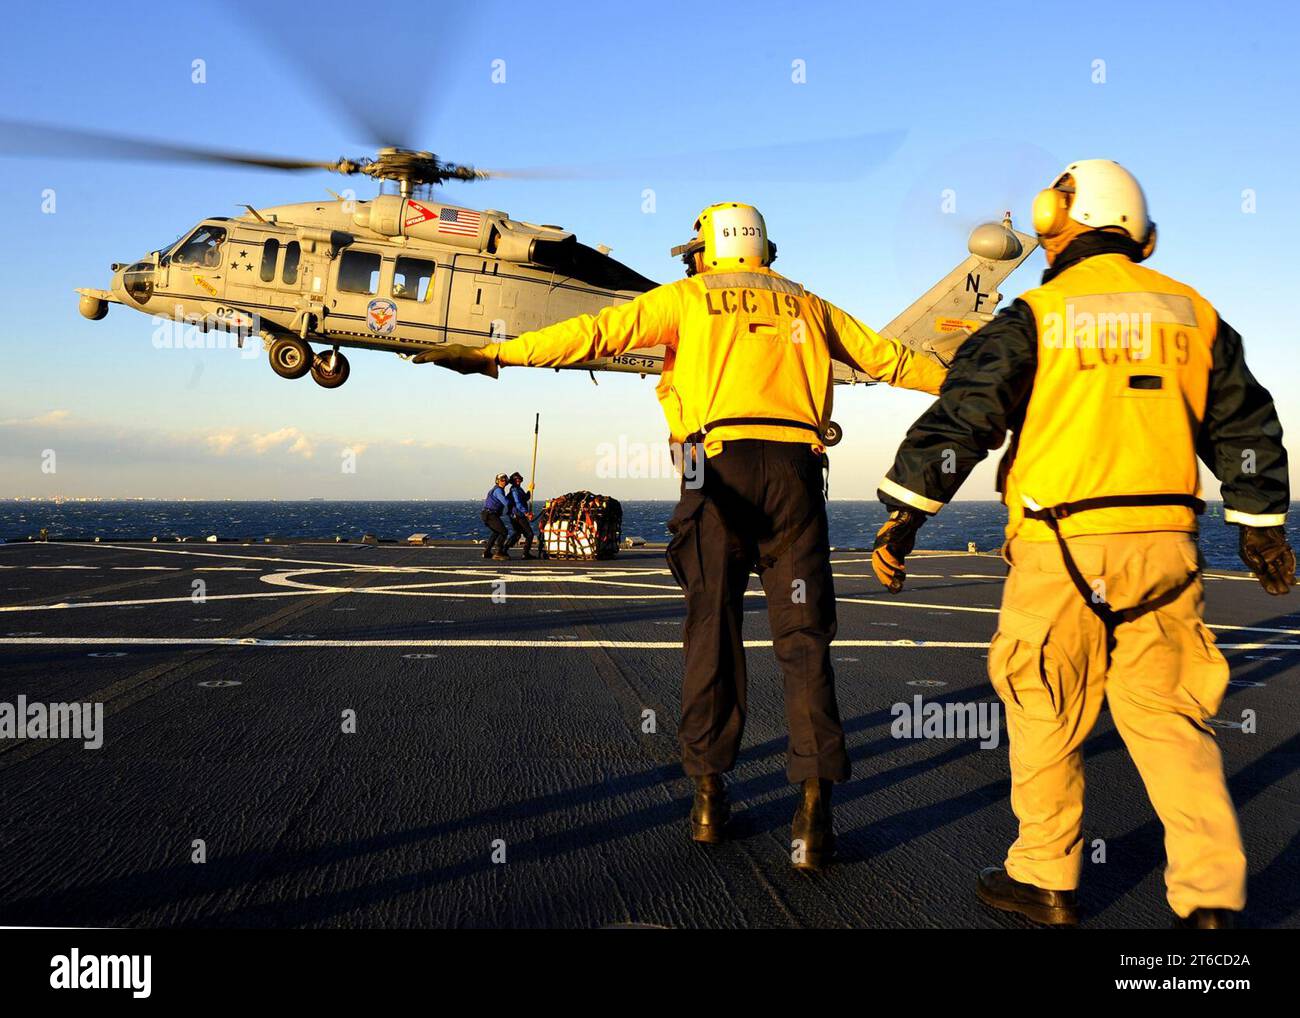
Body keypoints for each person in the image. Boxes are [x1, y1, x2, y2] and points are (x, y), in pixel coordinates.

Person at [417, 202, 945, 868]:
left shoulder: (687, 299)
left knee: (711, 632)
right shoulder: (809, 306)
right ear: (763, 252)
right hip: (796, 476)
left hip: (714, 470)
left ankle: (707, 797)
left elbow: (591, 333)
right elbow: (895, 360)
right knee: (806, 641)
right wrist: (987, 384)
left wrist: (494, 354)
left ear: (708, 250)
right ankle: (813, 816)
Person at [871, 160, 1294, 927]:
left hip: (1061, 544)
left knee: (1045, 704)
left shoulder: (1039, 311)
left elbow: (965, 415)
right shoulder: (1194, 313)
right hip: (1166, 544)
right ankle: (1207, 895)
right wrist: (1261, 527)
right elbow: (1245, 426)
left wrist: (906, 513)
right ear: (1141, 233)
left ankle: (1045, 877)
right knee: (1171, 718)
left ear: (1059, 217)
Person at [481, 473, 512, 561]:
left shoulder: (496, 489)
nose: (504, 482)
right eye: (502, 480)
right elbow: (505, 502)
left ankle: (487, 552)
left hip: (486, 514)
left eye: (505, 480)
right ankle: (498, 553)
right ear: (497, 481)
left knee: (496, 532)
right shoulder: (498, 491)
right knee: (504, 532)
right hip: (490, 514)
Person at [506, 471, 535, 559]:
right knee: (529, 534)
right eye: (516, 479)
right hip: (518, 515)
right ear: (513, 481)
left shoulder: (518, 489)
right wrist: (526, 513)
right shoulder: (515, 490)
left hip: (516, 514)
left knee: (517, 533)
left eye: (519, 479)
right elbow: (518, 503)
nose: (518, 481)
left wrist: (530, 490)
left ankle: (504, 549)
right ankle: (525, 553)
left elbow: (525, 498)